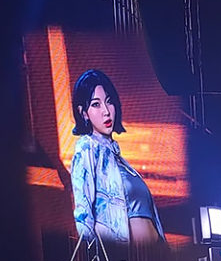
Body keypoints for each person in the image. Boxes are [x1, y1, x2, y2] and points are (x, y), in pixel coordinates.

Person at [69, 69, 164, 247]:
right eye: (96, 104)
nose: (106, 111)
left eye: (109, 102)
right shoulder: (87, 148)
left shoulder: (120, 161)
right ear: (83, 113)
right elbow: (83, 214)